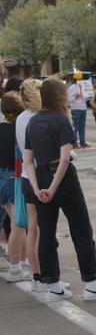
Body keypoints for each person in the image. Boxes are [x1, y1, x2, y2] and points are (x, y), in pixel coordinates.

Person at [24, 78, 96, 301]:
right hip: (62, 178)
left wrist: (39, 188)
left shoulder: (33, 122)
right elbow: (65, 159)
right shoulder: (60, 120)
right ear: (60, 96)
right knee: (81, 230)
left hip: (40, 176)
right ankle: (91, 283)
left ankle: (52, 285)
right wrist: (54, 186)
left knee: (46, 234)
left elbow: (27, 160)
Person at [17, 79, 44, 291]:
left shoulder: (20, 118)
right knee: (42, 229)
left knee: (31, 227)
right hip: (40, 174)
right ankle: (43, 274)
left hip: (26, 176)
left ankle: (36, 275)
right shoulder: (37, 117)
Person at [1, 92, 26, 283]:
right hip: (13, 176)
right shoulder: (18, 129)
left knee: (15, 222)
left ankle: (22, 262)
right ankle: (16, 267)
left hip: (1, 176)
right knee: (18, 224)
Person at [66, 72, 89, 148]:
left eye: (81, 78)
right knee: (75, 127)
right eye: (79, 78)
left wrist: (88, 94)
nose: (81, 80)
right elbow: (69, 99)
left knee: (82, 126)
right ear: (76, 79)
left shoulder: (83, 86)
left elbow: (87, 99)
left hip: (83, 108)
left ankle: (82, 142)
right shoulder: (72, 87)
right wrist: (76, 96)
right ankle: (74, 143)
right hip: (75, 108)